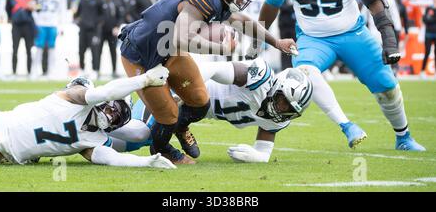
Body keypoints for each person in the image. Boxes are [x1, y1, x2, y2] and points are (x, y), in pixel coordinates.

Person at [251, 0, 425, 151]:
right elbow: (272, 4)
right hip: (312, 39)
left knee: (387, 86)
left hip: (353, 34)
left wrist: (388, 38)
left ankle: (404, 137)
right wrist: (257, 39)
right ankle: (347, 126)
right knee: (303, 74)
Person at [118, 0, 297, 164]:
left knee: (200, 102)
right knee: (168, 116)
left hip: (169, 52)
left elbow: (242, 22)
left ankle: (181, 127)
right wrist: (221, 49)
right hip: (142, 55)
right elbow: (182, 38)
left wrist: (276, 42)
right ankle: (162, 149)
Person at [112, 58, 312, 163]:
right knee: (141, 133)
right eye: (283, 102)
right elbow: (214, 68)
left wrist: (256, 157)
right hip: (180, 87)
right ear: (277, 87)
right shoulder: (257, 78)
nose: (282, 110)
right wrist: (185, 91)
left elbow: (263, 151)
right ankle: (105, 113)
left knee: (131, 143)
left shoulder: (277, 118)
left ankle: (94, 136)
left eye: (289, 110)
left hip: (192, 110)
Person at [0, 66, 175, 169]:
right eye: (115, 107)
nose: (113, 114)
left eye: (119, 115)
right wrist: (145, 79)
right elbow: (107, 91)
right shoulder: (75, 98)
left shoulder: (93, 140)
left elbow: (112, 159)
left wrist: (145, 162)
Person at [31, 0, 68, 79]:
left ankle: (51, 71)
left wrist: (61, 25)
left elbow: (63, 9)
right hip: (41, 23)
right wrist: (36, 21)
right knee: (38, 48)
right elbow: (33, 7)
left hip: (53, 23)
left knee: (52, 48)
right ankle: (35, 70)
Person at [6, 0, 36, 77]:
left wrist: (33, 7)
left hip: (28, 24)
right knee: (15, 49)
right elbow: (8, 9)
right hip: (16, 25)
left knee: (29, 49)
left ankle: (29, 71)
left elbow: (38, 7)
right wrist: (11, 19)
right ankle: (14, 72)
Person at [73, 0, 102, 79]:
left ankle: (95, 70)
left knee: (94, 50)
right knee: (81, 50)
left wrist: (97, 27)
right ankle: (82, 69)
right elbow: (78, 12)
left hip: (93, 29)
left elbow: (101, 15)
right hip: (83, 28)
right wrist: (76, 18)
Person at [421, 0, 436, 77]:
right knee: (427, 52)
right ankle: (422, 71)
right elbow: (425, 19)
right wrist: (431, 19)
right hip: (428, 34)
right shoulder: (429, 8)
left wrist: (431, 18)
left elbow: (428, 19)